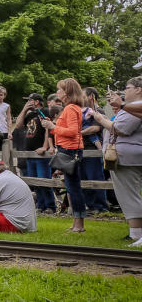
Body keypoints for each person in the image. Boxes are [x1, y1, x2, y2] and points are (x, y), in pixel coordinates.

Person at [88, 77, 142, 246]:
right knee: (126, 195)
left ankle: (137, 234)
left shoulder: (135, 107)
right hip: (127, 156)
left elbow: (121, 129)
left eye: (127, 87)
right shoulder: (131, 108)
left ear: (138, 89)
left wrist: (100, 119)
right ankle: (136, 234)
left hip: (128, 158)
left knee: (129, 194)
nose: (124, 91)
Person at [39, 78, 88, 233]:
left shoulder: (71, 108)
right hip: (69, 150)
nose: (57, 92)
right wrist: (52, 126)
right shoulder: (71, 108)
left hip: (70, 151)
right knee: (71, 187)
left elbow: (73, 132)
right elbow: (65, 131)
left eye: (59, 89)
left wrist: (54, 126)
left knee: (73, 188)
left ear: (67, 92)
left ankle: (79, 225)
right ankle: (76, 223)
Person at [14, 93, 56, 213]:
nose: (27, 103)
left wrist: (45, 147)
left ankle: (50, 206)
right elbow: (18, 125)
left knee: (44, 179)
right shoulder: (30, 114)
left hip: (40, 153)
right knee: (34, 181)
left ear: (36, 102)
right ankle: (40, 205)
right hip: (29, 153)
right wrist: (24, 109)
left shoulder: (45, 112)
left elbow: (48, 129)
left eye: (29, 101)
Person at [80, 88, 111, 214]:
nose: (80, 98)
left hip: (93, 149)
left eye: (83, 95)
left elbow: (95, 128)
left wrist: (78, 133)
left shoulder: (99, 111)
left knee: (95, 177)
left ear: (91, 96)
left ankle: (100, 206)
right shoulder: (80, 111)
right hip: (80, 148)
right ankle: (90, 205)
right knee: (83, 178)